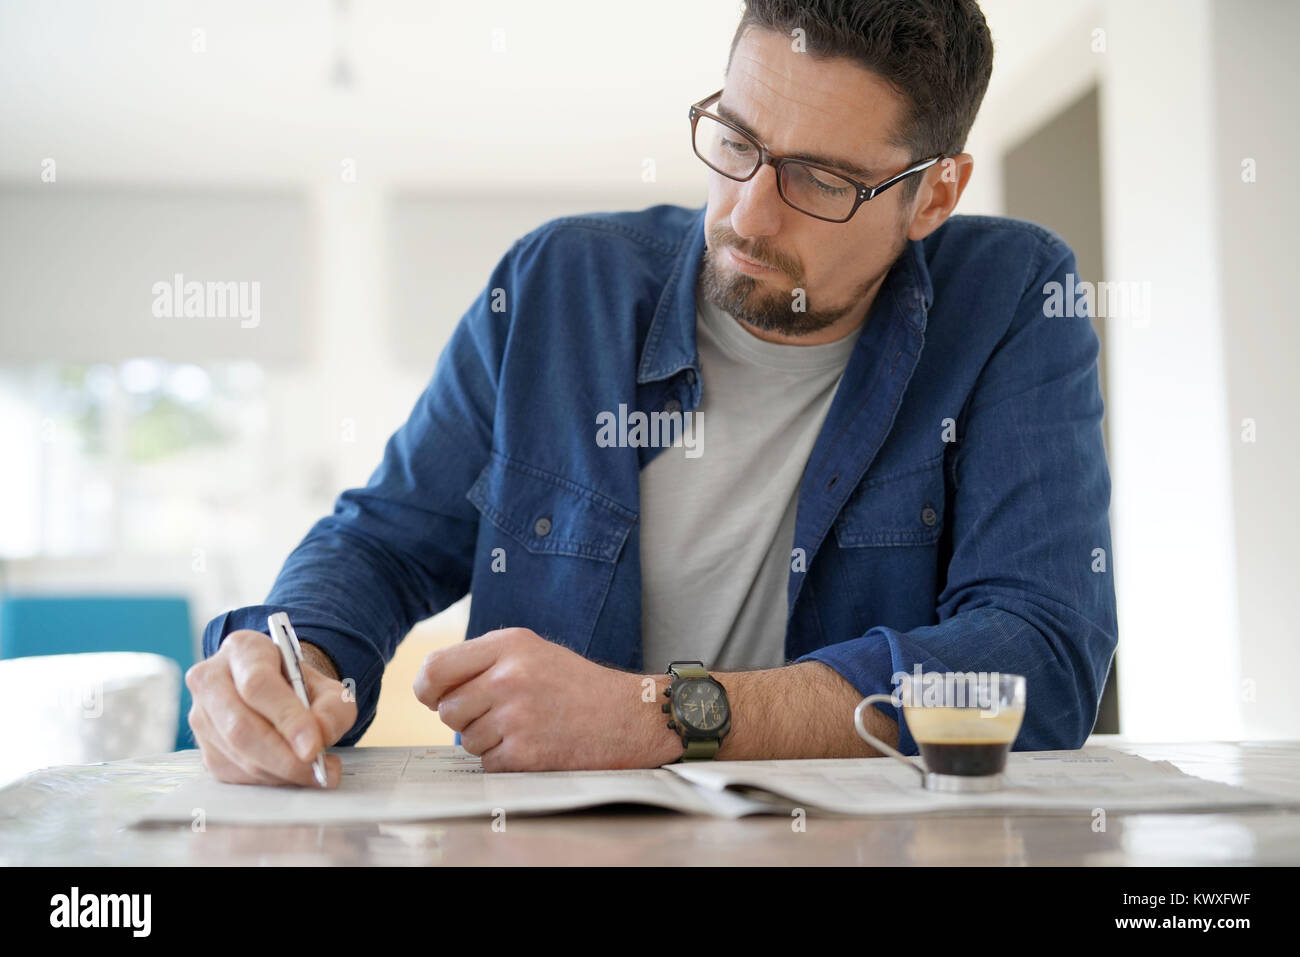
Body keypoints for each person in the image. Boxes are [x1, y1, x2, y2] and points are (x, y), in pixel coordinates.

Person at [187, 0, 1117, 785]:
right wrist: (295, 656)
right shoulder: (559, 285)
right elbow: (384, 540)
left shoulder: (1010, 300)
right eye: (738, 142)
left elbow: (1036, 656)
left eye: (821, 180)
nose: (749, 213)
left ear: (933, 196)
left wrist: (667, 714)